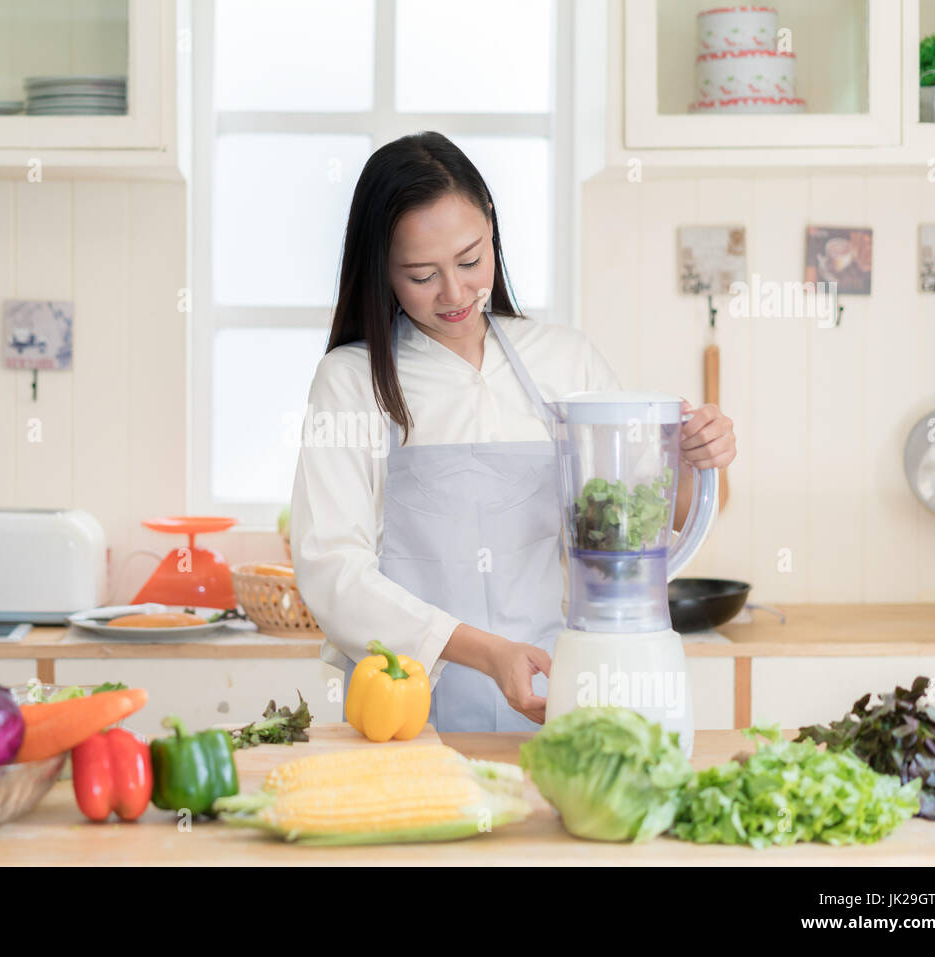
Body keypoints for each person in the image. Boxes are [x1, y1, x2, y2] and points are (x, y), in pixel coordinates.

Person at [289, 132, 736, 732]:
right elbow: (331, 572)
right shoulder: (348, 381)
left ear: (493, 229)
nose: (455, 294)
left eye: (471, 261)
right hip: (405, 713)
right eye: (422, 275)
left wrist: (693, 459)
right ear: (382, 270)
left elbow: (638, 527)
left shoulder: (565, 361)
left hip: (558, 696)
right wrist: (487, 653)